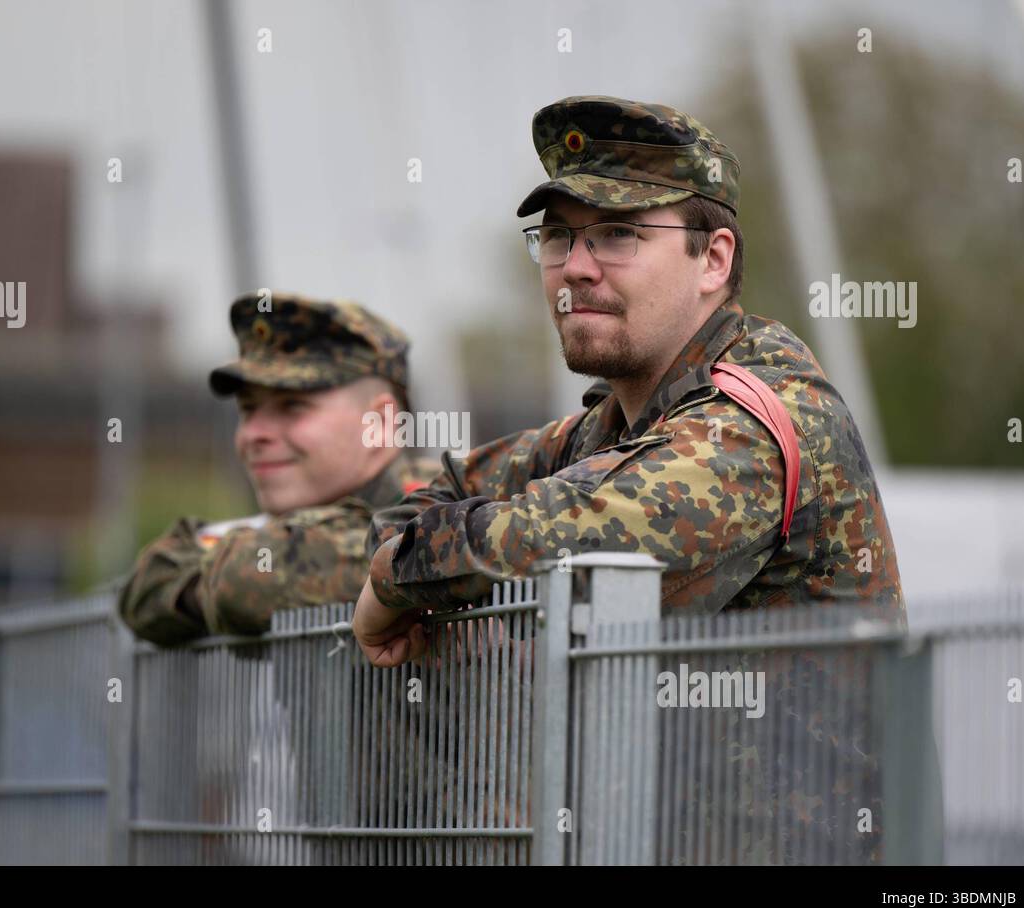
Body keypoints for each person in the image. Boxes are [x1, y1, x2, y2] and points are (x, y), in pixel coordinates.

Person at [352, 95, 907, 668]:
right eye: (558, 237)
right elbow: (430, 492)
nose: (575, 267)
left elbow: (573, 539)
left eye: (618, 234)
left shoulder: (764, 416)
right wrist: (401, 556)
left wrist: (398, 578)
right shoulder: (610, 425)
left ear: (713, 260)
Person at [118, 291, 439, 644]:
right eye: (248, 410)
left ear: (378, 421)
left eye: (292, 407)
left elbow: (242, 580)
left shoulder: (442, 507)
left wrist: (230, 577)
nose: (253, 434)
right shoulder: (264, 532)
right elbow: (147, 585)